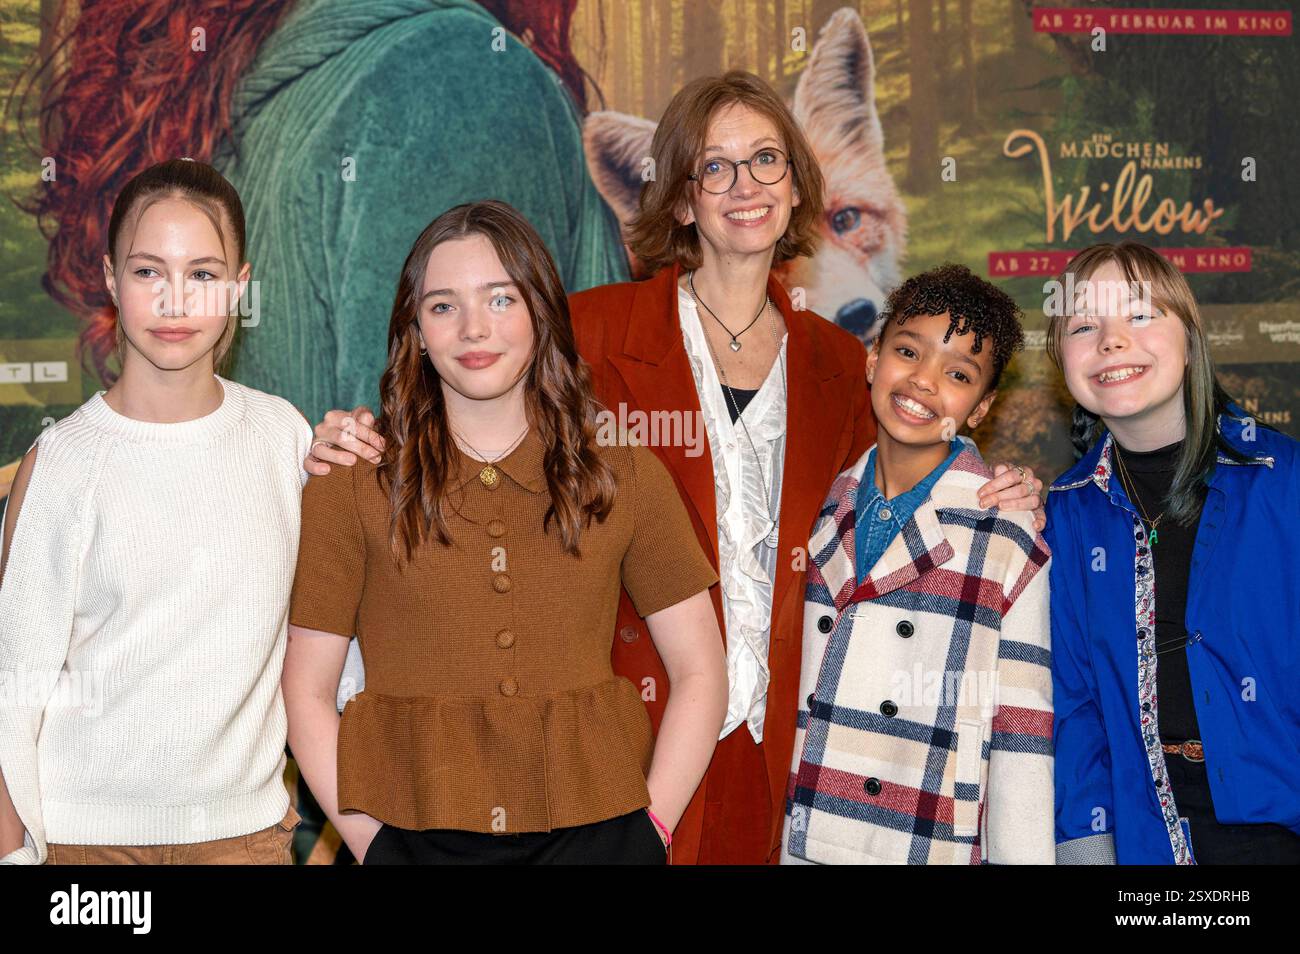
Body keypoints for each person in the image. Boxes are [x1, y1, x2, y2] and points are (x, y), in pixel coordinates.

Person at [304, 71, 1046, 865]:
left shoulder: (840, 362)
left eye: (765, 160)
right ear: (682, 200)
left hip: (795, 748)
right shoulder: (585, 330)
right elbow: (460, 400)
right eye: (713, 166)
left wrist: (993, 483)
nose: (744, 185)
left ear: (795, 185)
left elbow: (905, 470)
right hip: (619, 758)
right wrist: (354, 436)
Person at [284, 200, 727, 864]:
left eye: (500, 299)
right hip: (407, 836)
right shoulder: (353, 480)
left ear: (541, 311)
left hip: (599, 834)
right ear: (415, 329)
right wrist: (371, 845)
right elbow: (305, 689)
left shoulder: (623, 472)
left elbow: (701, 670)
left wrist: (650, 833)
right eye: (442, 306)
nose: (472, 329)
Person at [0, 159, 311, 865]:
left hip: (244, 836)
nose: (175, 302)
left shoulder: (284, 437)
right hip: (84, 842)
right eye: (148, 273)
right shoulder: (65, 462)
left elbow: (328, 639)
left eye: (202, 274)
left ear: (239, 287)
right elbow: (9, 692)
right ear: (112, 282)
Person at [783, 265, 1054, 864]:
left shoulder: (1006, 537)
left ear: (981, 409)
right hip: (802, 830)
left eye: (957, 373)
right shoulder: (822, 502)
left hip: (922, 842)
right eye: (909, 352)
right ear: (873, 358)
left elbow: (1021, 738)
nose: (924, 382)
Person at [1044, 241, 1300, 864]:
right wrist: (1086, 845)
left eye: (1138, 315)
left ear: (1189, 340)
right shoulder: (1065, 512)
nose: (1110, 341)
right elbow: (1073, 704)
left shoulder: (1284, 482)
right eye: (1083, 325)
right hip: (1149, 839)